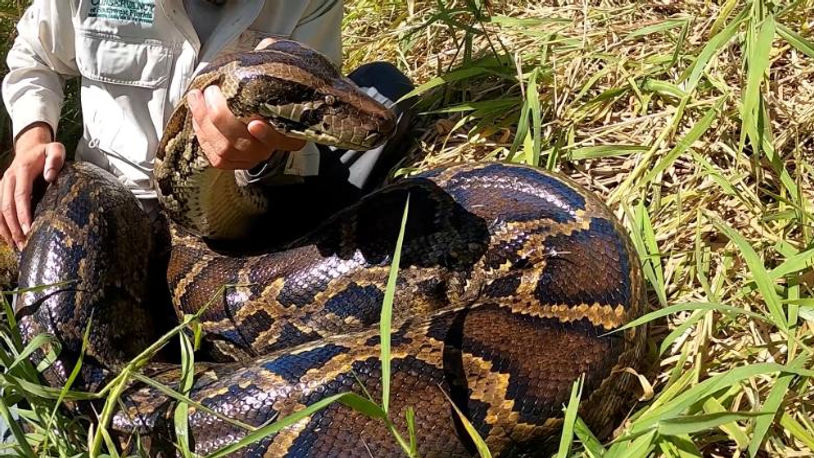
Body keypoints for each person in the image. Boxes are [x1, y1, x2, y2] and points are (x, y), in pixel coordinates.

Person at [1, 0, 414, 250]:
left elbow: (320, 96)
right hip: (122, 198)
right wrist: (33, 139)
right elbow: (34, 58)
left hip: (251, 191)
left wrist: (262, 156)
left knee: (385, 94)